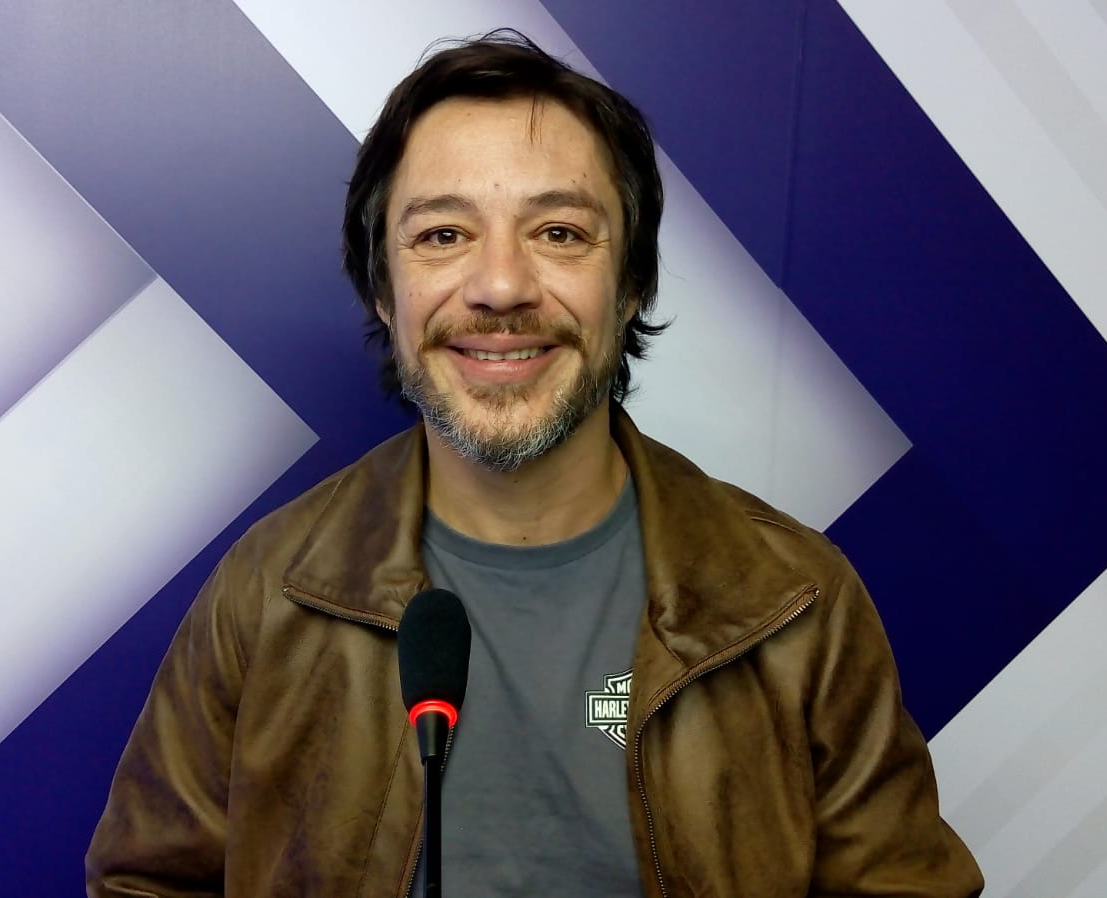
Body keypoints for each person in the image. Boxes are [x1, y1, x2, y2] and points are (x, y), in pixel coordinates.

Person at [86, 30, 982, 898]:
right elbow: (146, 883)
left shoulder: (794, 600)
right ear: (383, 288)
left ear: (631, 285)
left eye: (558, 232)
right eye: (443, 235)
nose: (502, 286)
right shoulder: (270, 588)